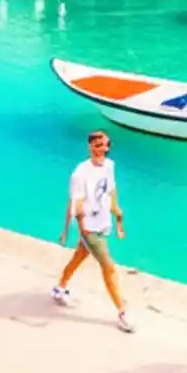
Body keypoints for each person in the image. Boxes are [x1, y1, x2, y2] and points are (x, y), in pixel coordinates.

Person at [51, 130, 134, 333]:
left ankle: (60, 287)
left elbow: (112, 188)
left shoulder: (109, 165)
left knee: (80, 256)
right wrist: (80, 228)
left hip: (104, 223)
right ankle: (122, 312)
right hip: (90, 228)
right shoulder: (80, 173)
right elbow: (76, 202)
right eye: (97, 145)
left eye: (105, 145)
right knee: (109, 267)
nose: (102, 149)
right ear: (90, 147)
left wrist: (116, 211)